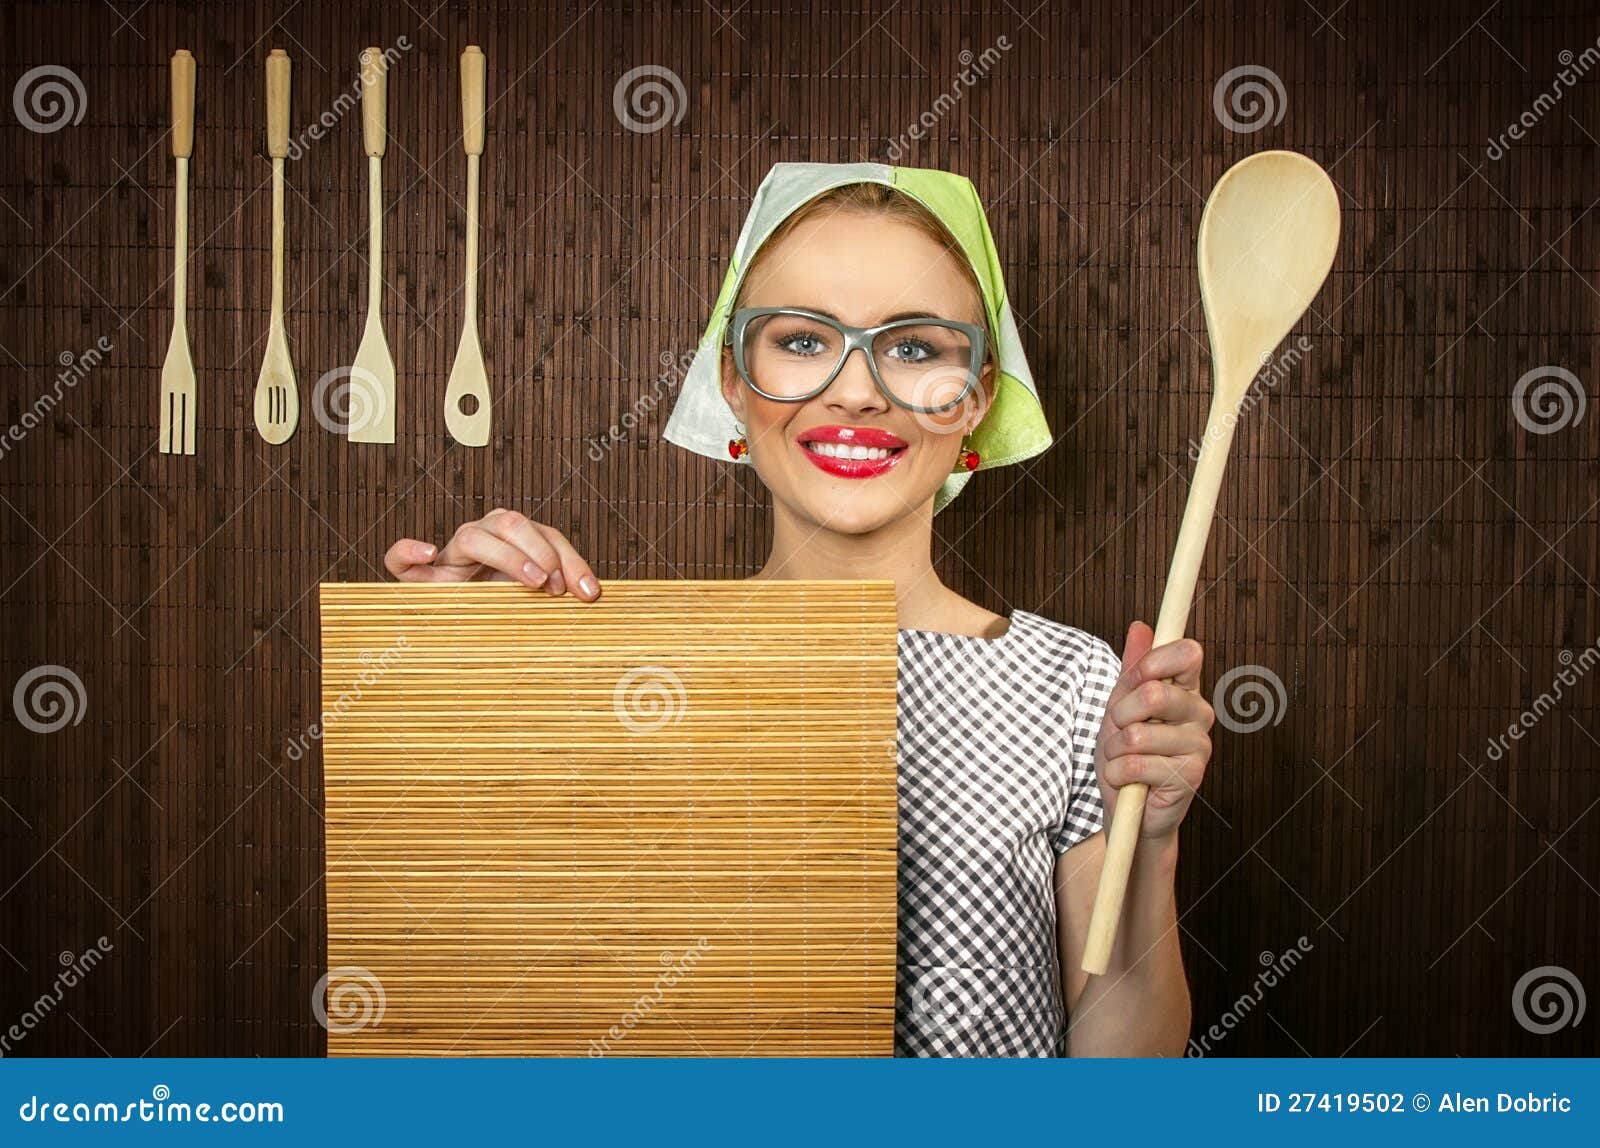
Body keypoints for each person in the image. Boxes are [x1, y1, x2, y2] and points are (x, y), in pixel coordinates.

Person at [384, 162, 1213, 1056]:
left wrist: (1155, 839)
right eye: (804, 341)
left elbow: (1120, 1079)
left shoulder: (1080, 688)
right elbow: (490, 1003)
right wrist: (451, 681)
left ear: (975, 398)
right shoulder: (613, 665)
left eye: (915, 347)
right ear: (733, 381)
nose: (856, 391)